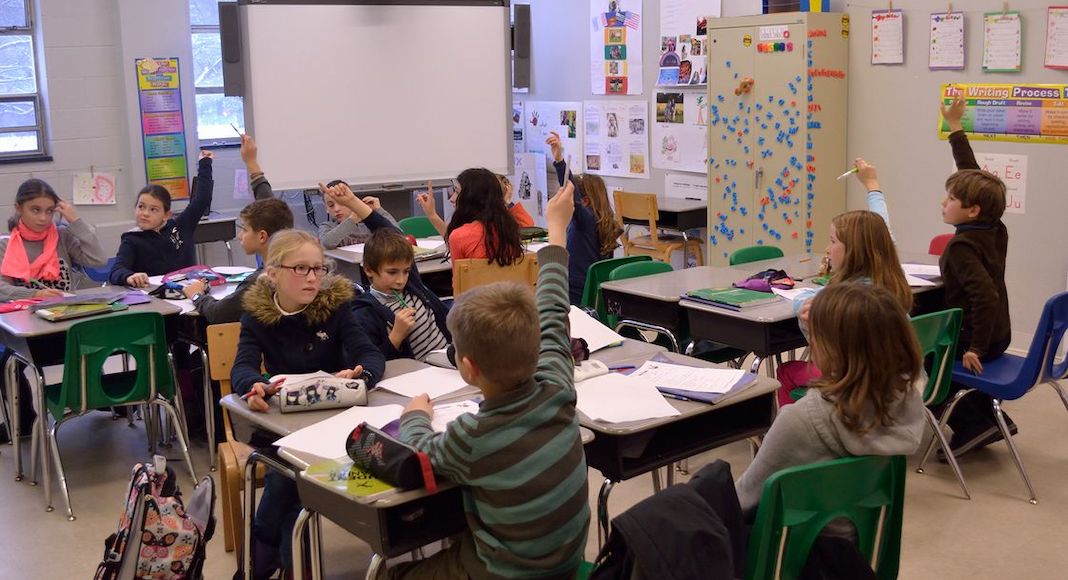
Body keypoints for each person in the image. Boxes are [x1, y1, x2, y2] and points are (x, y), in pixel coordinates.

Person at [385, 178, 588, 579]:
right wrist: (557, 227)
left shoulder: (471, 438)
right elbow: (552, 307)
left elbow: (420, 452)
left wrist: (415, 415)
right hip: (566, 563)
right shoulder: (557, 385)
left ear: (469, 367)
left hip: (502, 573)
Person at [230, 228, 385, 578]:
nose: (313, 277)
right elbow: (243, 366)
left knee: (287, 481)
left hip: (335, 423)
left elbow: (370, 354)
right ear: (273, 273)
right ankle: (291, 567)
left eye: (318, 268)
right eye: (301, 268)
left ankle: (261, 561)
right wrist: (254, 385)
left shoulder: (336, 307)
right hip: (284, 426)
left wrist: (361, 376)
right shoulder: (257, 316)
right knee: (292, 480)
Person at [735, 283, 925, 519]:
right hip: (853, 535)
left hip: (785, 538)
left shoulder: (799, 420)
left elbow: (743, 499)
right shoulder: (908, 403)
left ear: (831, 348)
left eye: (816, 337)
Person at [775, 159, 911, 406]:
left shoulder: (847, 296)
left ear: (854, 251)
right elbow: (883, 231)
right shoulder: (889, 279)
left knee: (786, 371)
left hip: (852, 384)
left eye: (833, 241)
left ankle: (794, 428)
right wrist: (872, 185)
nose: (827, 249)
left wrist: (805, 300)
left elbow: (806, 304)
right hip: (894, 382)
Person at [936, 95, 1013, 456]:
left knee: (927, 360)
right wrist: (955, 126)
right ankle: (993, 419)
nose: (943, 202)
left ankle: (972, 426)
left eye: (950, 199)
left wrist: (975, 348)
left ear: (972, 210)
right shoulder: (994, 227)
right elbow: (972, 174)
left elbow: (985, 296)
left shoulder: (962, 246)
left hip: (978, 338)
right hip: (1001, 333)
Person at [322, 183, 451, 361]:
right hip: (420, 372)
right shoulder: (365, 312)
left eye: (406, 271)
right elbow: (370, 362)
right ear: (369, 270)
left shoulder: (411, 285)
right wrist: (396, 336)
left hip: (449, 360)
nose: (401, 280)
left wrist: (353, 201)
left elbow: (392, 232)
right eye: (392, 273)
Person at [238, 134, 395, 248]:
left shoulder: (368, 225)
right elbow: (328, 242)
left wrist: (378, 211)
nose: (337, 209)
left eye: (342, 203)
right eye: (331, 205)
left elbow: (397, 237)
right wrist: (353, 219)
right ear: (325, 208)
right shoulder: (327, 226)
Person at [108, 151, 215, 287]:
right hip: (154, 293)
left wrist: (205, 163)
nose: (145, 213)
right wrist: (129, 276)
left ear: (166, 215)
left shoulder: (180, 226)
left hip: (189, 290)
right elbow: (116, 271)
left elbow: (202, 199)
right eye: (141, 207)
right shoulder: (131, 239)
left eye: (153, 209)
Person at [181, 198, 293, 324]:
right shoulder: (291, 269)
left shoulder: (260, 281)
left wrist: (197, 295)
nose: (239, 236)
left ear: (262, 236)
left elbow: (217, 314)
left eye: (245, 230)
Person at [546, 131, 623, 303]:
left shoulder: (586, 220)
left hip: (574, 292)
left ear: (585, 200)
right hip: (592, 294)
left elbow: (571, 190)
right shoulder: (606, 222)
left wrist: (559, 161)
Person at [0, 178, 106, 299]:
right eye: (35, 210)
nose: (43, 218)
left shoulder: (62, 236)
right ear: (18, 208)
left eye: (49, 211)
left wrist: (76, 221)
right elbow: (2, 289)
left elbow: (98, 261)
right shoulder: (5, 245)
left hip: (66, 308)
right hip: (27, 310)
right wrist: (35, 294)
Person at [442, 168, 525, 265]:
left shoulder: (459, 236)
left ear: (471, 198)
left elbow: (458, 275)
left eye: (456, 192)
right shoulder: (509, 231)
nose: (452, 199)